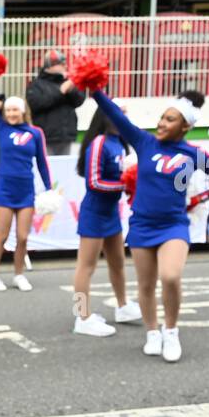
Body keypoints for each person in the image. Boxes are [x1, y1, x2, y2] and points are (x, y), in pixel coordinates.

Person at [89, 87, 207, 362]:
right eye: (162, 118)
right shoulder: (145, 143)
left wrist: (201, 197)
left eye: (170, 119)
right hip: (142, 224)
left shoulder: (194, 153)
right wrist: (95, 90)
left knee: (171, 277)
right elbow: (116, 117)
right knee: (145, 284)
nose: (162, 123)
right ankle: (152, 332)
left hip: (174, 226)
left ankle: (172, 331)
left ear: (185, 126)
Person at [71, 107, 141, 335]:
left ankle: (123, 306)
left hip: (111, 212)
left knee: (118, 262)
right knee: (86, 266)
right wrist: (125, 185)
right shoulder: (99, 142)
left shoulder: (119, 143)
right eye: (114, 113)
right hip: (94, 213)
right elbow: (94, 182)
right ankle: (81, 317)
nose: (119, 118)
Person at [0, 78, 52, 292]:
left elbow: (42, 162)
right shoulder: (0, 128)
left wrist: (48, 188)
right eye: (8, 110)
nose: (11, 113)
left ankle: (18, 274)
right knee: (2, 235)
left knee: (23, 236)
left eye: (15, 110)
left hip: (26, 190)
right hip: (4, 189)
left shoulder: (35, 133)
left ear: (22, 111)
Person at [26, 50, 86, 157]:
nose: (65, 66)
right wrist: (61, 91)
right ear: (50, 66)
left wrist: (71, 89)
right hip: (46, 137)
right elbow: (36, 104)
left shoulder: (67, 82)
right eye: (61, 64)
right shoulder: (36, 85)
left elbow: (79, 101)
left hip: (66, 136)